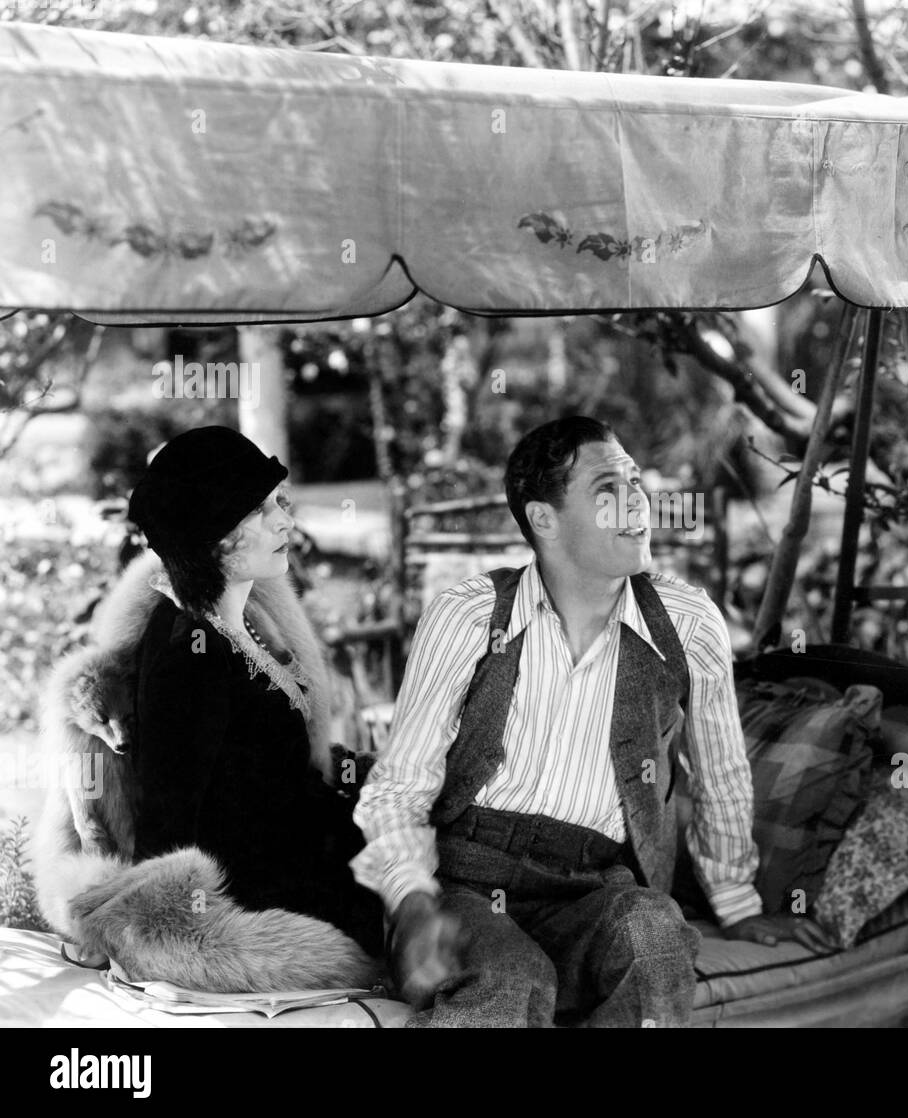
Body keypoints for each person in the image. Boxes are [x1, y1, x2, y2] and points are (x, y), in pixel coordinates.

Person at [352, 416, 833, 1027]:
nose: (638, 503)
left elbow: (721, 772)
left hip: (597, 881)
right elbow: (398, 788)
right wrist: (412, 899)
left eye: (637, 482)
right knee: (508, 978)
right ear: (544, 520)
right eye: (609, 489)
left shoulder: (686, 624)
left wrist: (736, 900)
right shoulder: (471, 616)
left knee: (656, 941)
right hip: (466, 877)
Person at [35, 425, 384, 991]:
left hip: (317, 849)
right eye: (260, 510)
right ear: (213, 535)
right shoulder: (188, 653)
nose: (285, 521)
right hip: (273, 893)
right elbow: (169, 827)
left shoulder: (242, 622)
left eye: (280, 502)